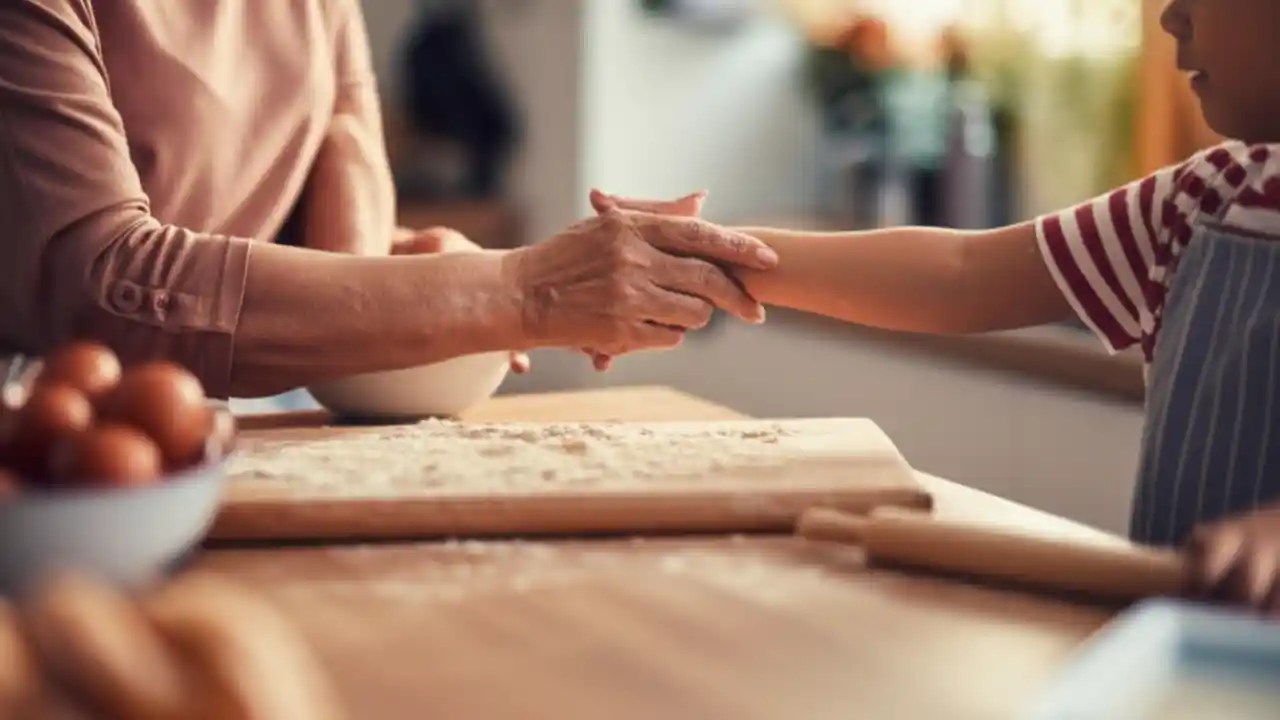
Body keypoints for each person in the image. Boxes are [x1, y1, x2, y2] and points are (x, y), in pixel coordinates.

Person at [596, 0, 1280, 613]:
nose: (1171, 15)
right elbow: (962, 273)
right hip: (1179, 660)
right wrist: (700, 254)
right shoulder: (1209, 197)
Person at [0, 0, 777, 401]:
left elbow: (342, 249)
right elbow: (98, 281)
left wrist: (422, 262)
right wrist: (523, 289)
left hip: (209, 449)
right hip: (39, 460)